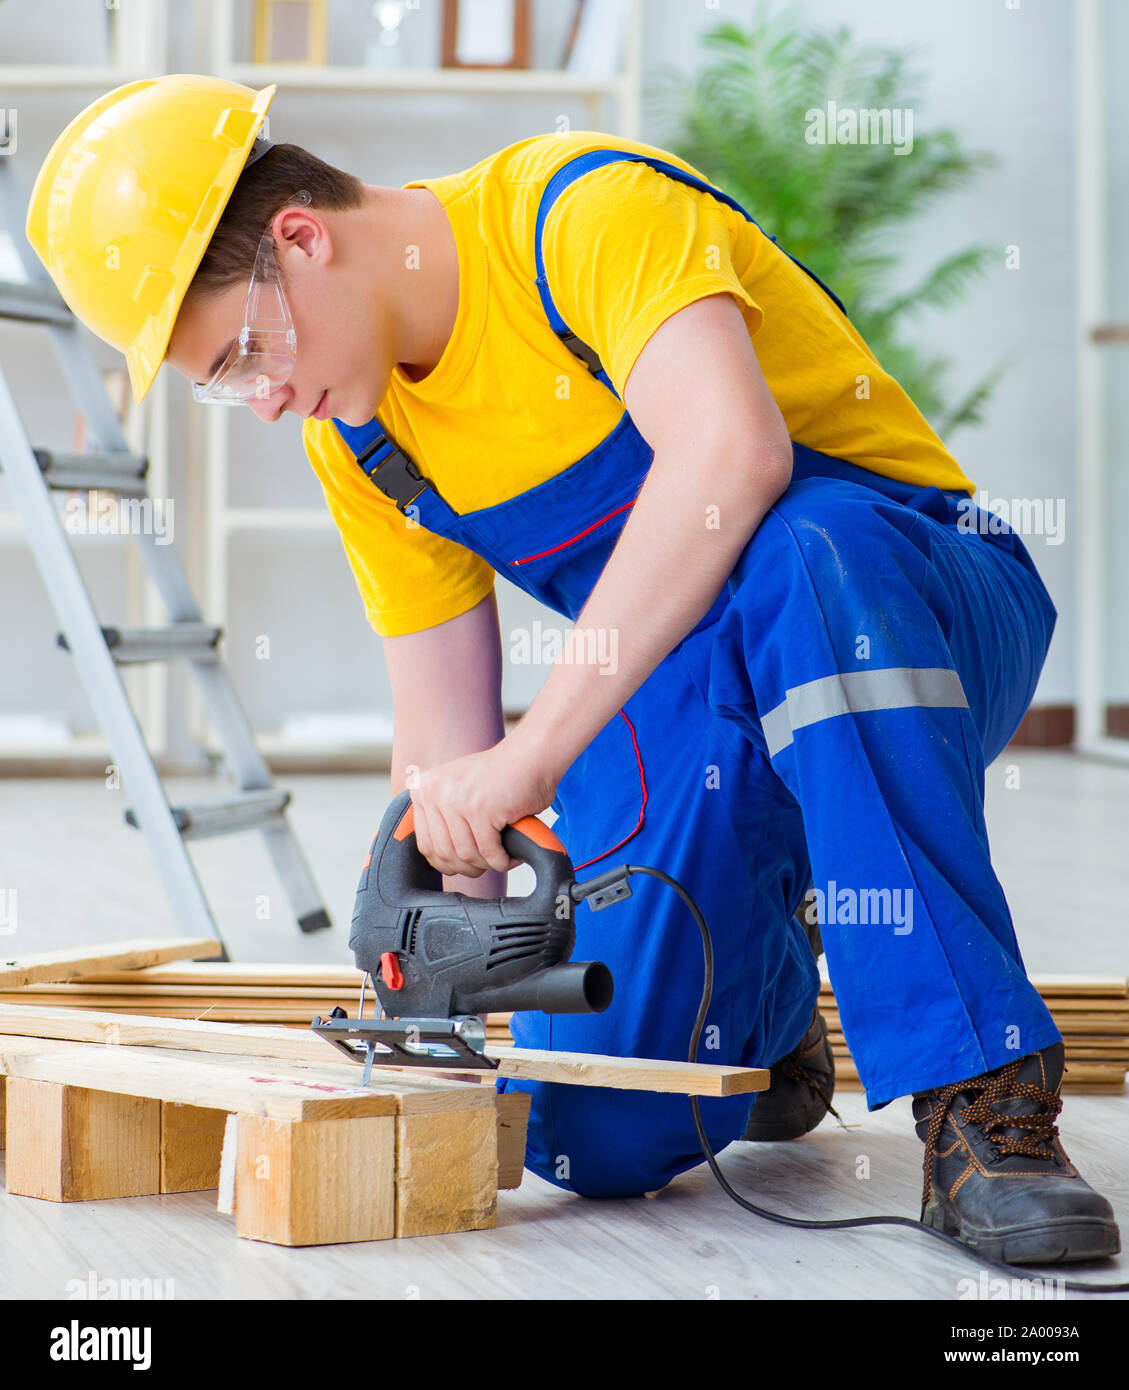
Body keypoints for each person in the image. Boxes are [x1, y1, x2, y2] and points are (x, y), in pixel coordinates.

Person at [27, 73, 1120, 1265]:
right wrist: (426, 929)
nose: (267, 399)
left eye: (244, 354)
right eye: (224, 385)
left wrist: (532, 755)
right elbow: (440, 740)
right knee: (597, 1135)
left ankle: (985, 1105)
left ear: (301, 237)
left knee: (810, 553)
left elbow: (730, 454)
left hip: (910, 596)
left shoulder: (575, 215)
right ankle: (763, 1004)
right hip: (690, 674)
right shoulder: (367, 436)